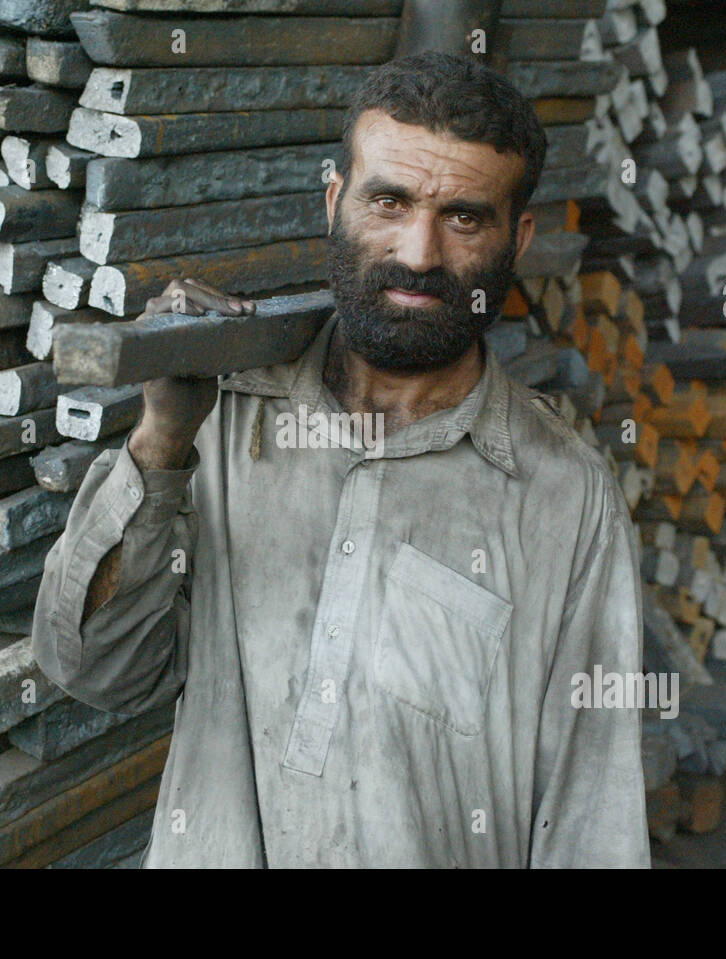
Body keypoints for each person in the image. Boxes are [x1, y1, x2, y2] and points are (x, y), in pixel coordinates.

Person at [32, 51, 650, 868]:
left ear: (519, 239)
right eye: (389, 201)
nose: (421, 252)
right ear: (336, 202)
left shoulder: (563, 497)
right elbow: (91, 668)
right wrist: (162, 440)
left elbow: (592, 824)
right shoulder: (224, 416)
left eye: (464, 217)